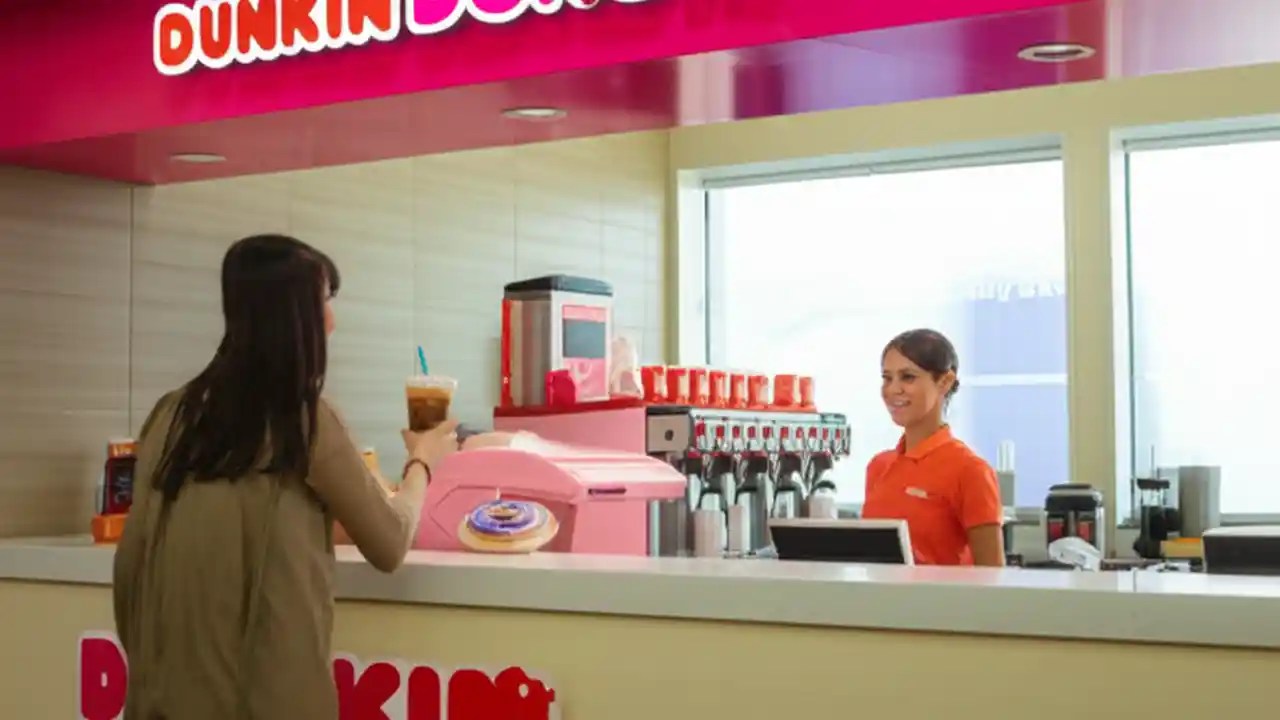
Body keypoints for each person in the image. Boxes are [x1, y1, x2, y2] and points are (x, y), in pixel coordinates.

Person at [112, 234, 459, 719]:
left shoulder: (172, 414)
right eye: (324, 301)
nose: (332, 321)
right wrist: (423, 460)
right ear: (294, 316)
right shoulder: (304, 420)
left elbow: (138, 568)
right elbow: (390, 540)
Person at [862, 329, 1005, 566]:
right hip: (883, 602)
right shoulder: (878, 467)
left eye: (907, 377)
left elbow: (993, 576)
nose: (893, 389)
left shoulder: (970, 471)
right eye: (887, 378)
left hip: (947, 603)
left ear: (944, 382)